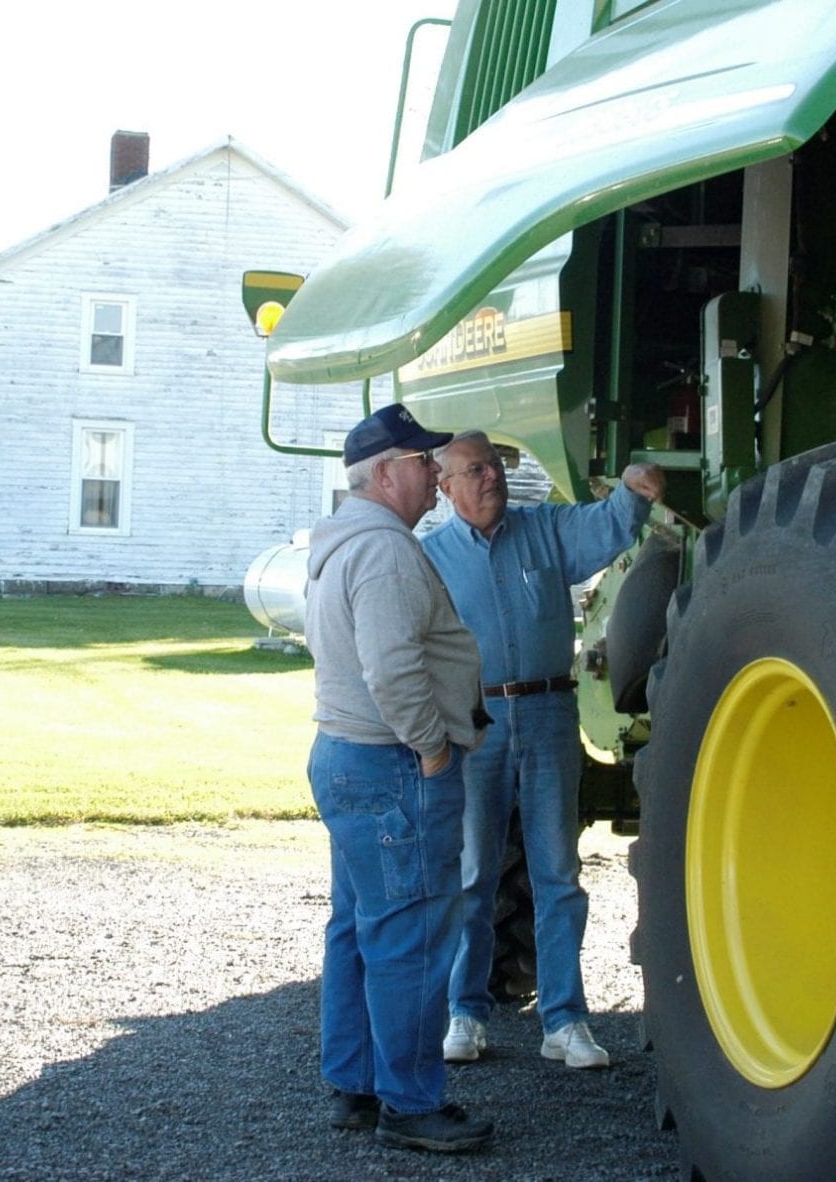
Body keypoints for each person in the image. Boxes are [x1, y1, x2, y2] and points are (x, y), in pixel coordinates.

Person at [420, 430, 663, 1070]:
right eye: (474, 471)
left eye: (495, 467)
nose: (491, 478)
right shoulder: (430, 557)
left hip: (552, 713)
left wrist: (636, 490)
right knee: (472, 877)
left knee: (558, 874)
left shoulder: (546, 530)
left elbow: (607, 526)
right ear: (445, 488)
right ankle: (465, 1014)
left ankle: (565, 1021)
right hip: (478, 723)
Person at [303, 404, 494, 1154]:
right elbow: (393, 668)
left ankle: (356, 1085)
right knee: (411, 937)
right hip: (393, 762)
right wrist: (433, 750)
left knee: (358, 926)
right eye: (423, 463)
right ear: (385, 475)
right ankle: (410, 1105)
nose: (435, 476)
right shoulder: (384, 551)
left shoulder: (341, 541)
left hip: (347, 754)